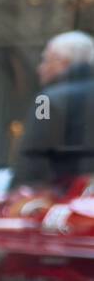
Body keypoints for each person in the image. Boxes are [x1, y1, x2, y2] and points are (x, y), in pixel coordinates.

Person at [13, 30, 94, 187]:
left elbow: (32, 157)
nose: (40, 68)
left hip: (58, 198)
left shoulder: (46, 100)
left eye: (45, 60)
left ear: (63, 62)